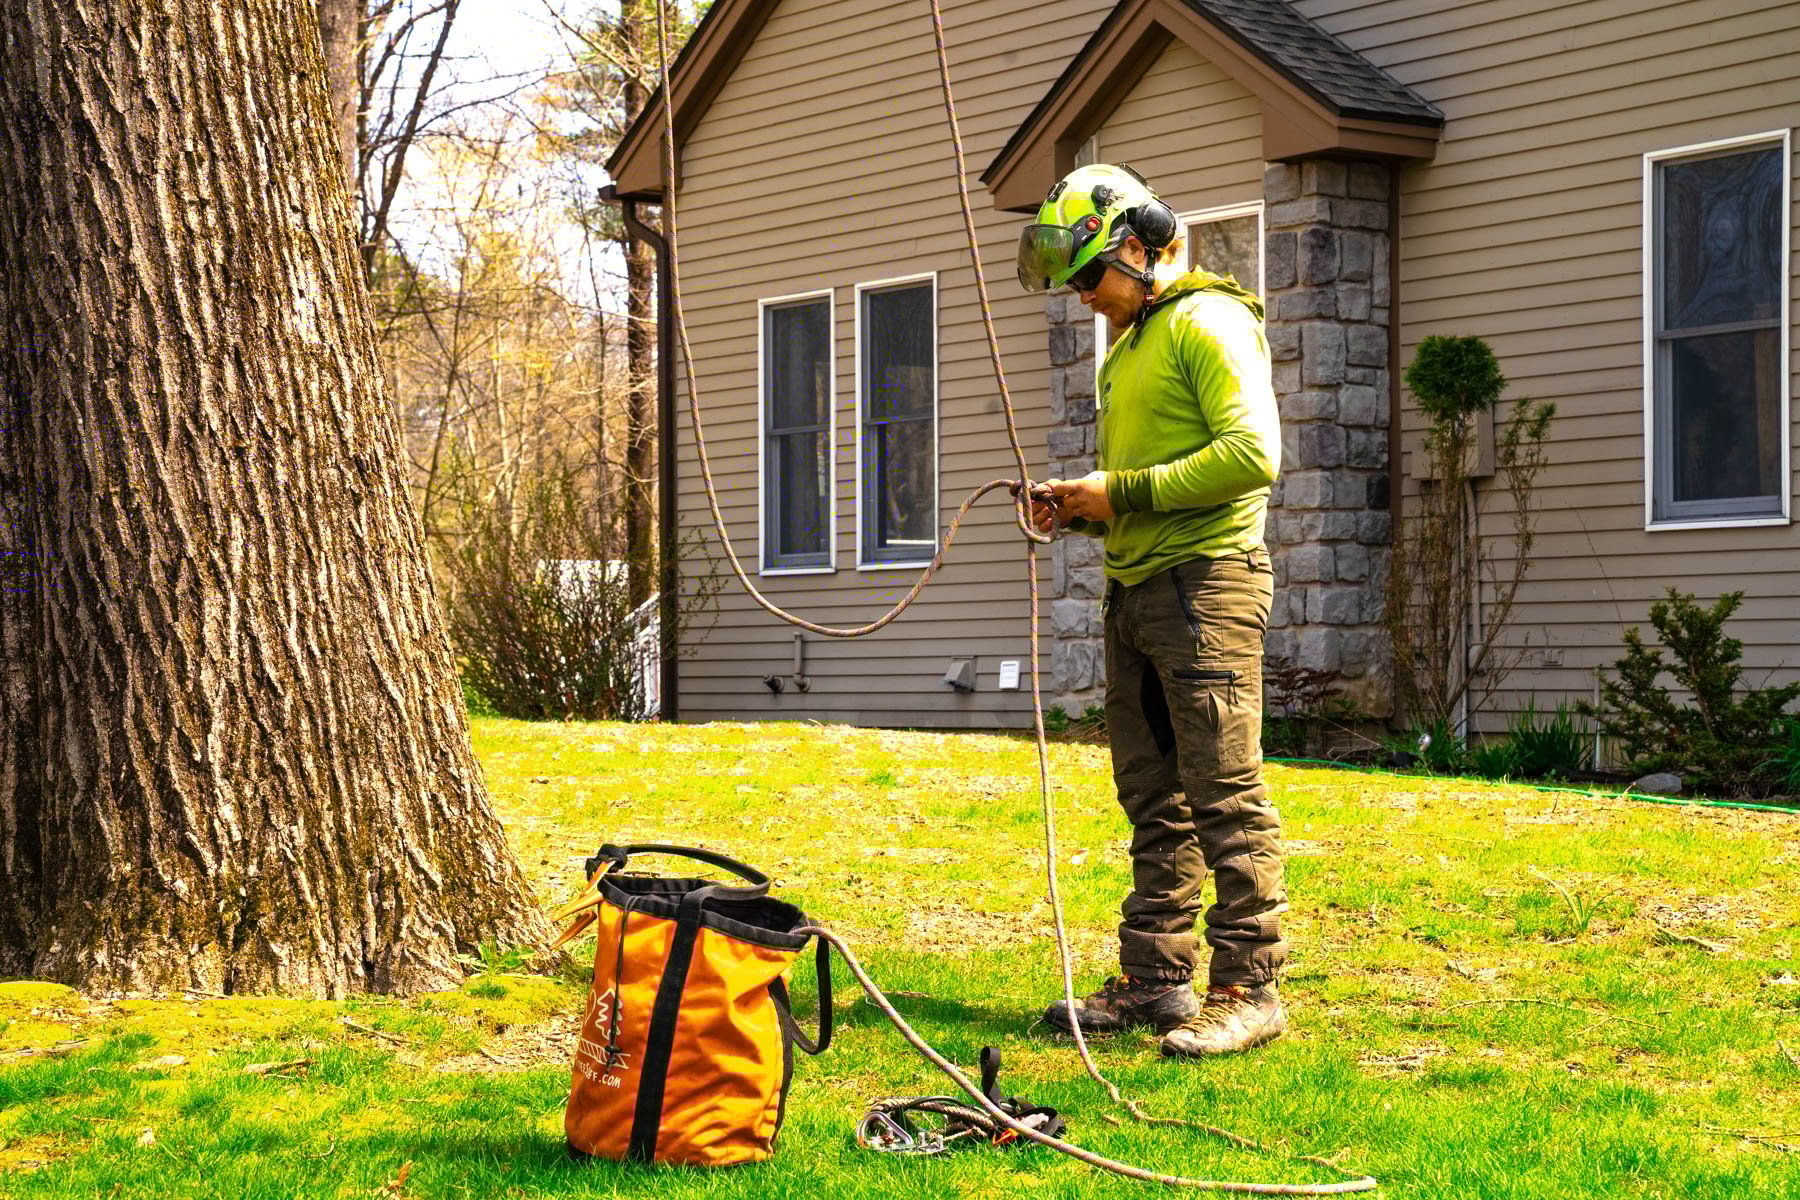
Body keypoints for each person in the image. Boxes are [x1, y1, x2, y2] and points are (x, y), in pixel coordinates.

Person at [1015, 163, 1285, 1057]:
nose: (1083, 295)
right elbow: (1148, 485)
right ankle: (1156, 981)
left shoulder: (1208, 319)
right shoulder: (1135, 342)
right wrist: (1086, 508)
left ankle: (1249, 988)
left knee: (1224, 793)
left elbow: (1252, 456)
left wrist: (1116, 489)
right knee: (1154, 797)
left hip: (1207, 586)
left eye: (1091, 274)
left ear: (1137, 244)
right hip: (1139, 590)